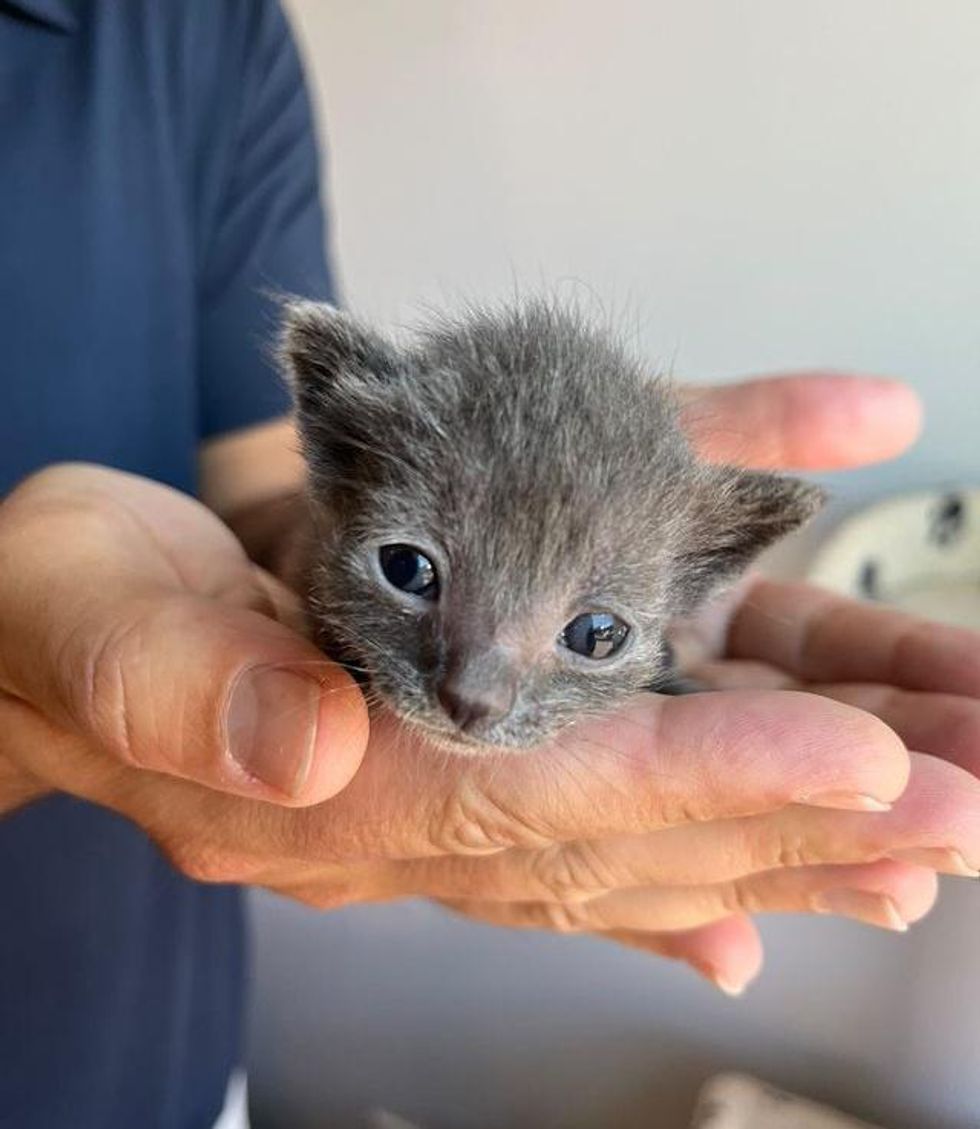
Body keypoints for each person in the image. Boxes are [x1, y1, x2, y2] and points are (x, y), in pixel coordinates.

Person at [2, 2, 979, 1128]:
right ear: (343, 436)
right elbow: (293, 515)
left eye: (593, 635)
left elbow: (252, 481)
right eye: (413, 568)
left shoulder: (194, 27)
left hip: (167, 1058)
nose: (474, 690)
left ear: (702, 573)